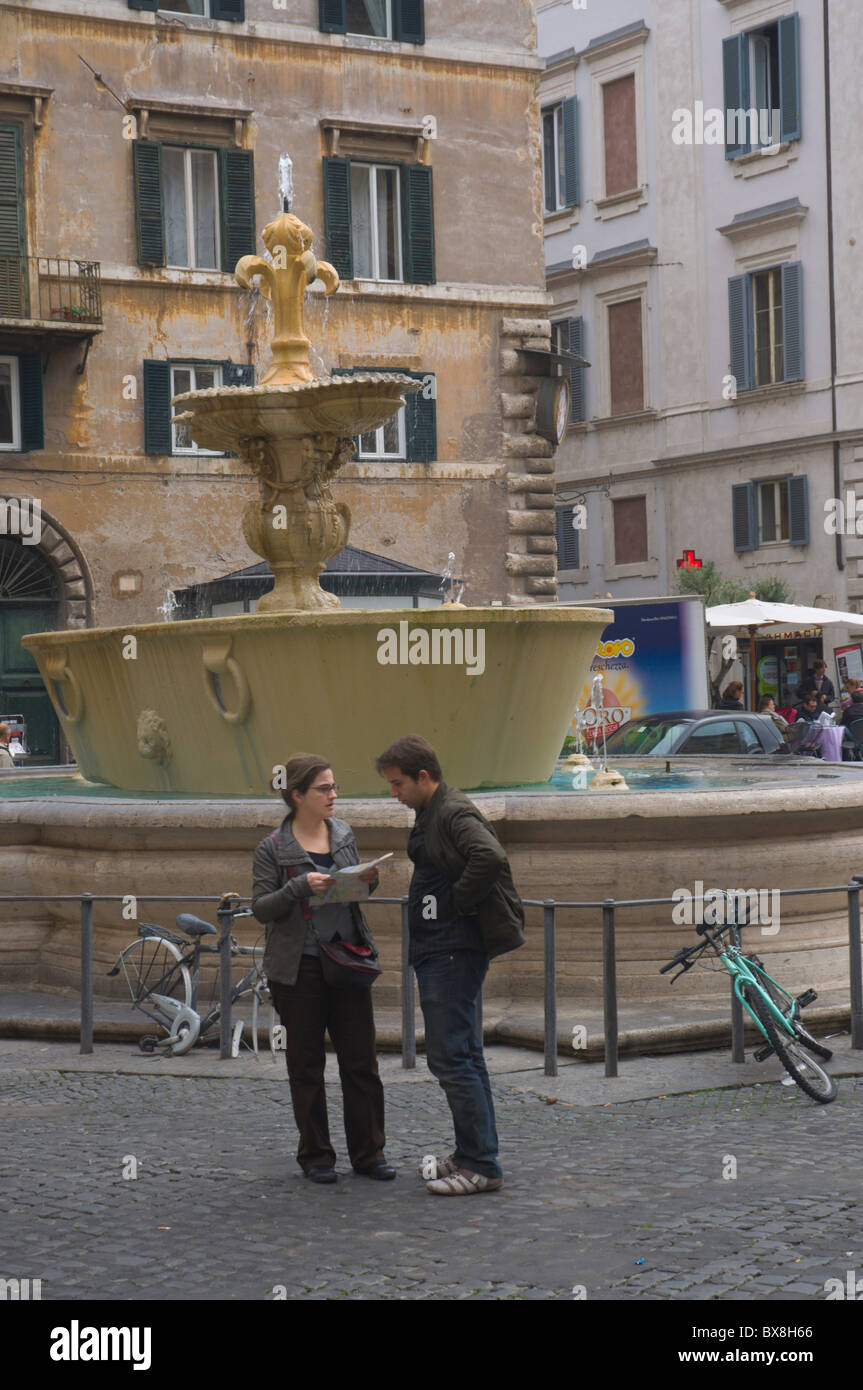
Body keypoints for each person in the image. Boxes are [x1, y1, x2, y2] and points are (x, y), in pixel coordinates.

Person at [376, 734, 525, 1197]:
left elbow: (490, 856)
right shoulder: (431, 811)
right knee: (465, 1053)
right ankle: (472, 1154)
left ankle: (481, 1165)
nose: (393, 794)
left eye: (398, 784)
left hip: (453, 949)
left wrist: (456, 902)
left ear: (425, 777)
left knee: (450, 1056)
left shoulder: (453, 811)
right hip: (441, 947)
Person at [251, 753, 394, 1185]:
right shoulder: (273, 848)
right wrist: (297, 886)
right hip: (300, 969)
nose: (334, 795)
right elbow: (260, 909)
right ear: (297, 795)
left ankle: (369, 1154)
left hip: (347, 957)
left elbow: (359, 889)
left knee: (361, 1061)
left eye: (334, 787)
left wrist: (369, 880)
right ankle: (316, 1156)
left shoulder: (343, 832)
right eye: (324, 789)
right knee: (306, 1065)